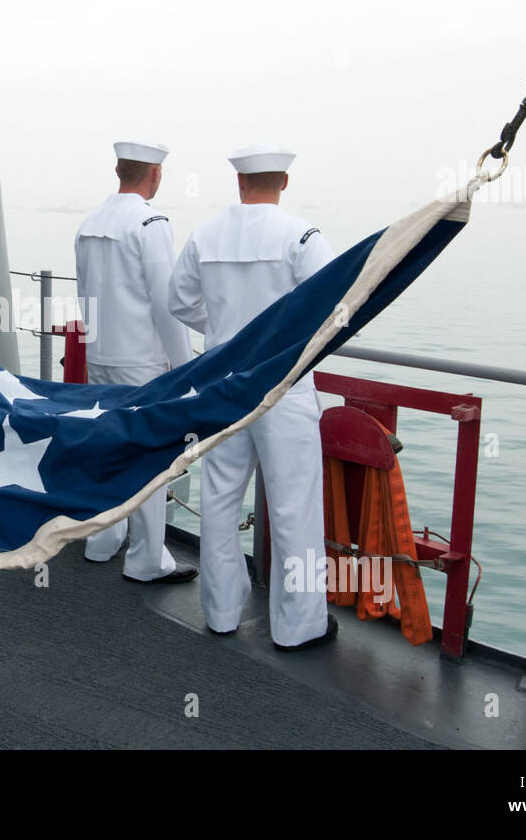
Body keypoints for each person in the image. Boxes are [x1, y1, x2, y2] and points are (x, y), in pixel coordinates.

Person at [168, 144, 336, 648]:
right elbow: (332, 307)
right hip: (282, 383)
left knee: (219, 499)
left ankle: (220, 614)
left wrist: (224, 336)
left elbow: (178, 302)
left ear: (239, 183)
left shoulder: (205, 234)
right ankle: (298, 626)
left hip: (224, 383)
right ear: (283, 183)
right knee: (293, 506)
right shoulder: (302, 236)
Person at [74, 139, 197, 584]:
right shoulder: (150, 222)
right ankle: (147, 560)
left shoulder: (90, 222)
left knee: (109, 450)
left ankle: (101, 541)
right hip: (140, 361)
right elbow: (168, 304)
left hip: (101, 355)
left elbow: (83, 290)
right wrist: (185, 368)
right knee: (150, 458)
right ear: (155, 175)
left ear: (118, 171)